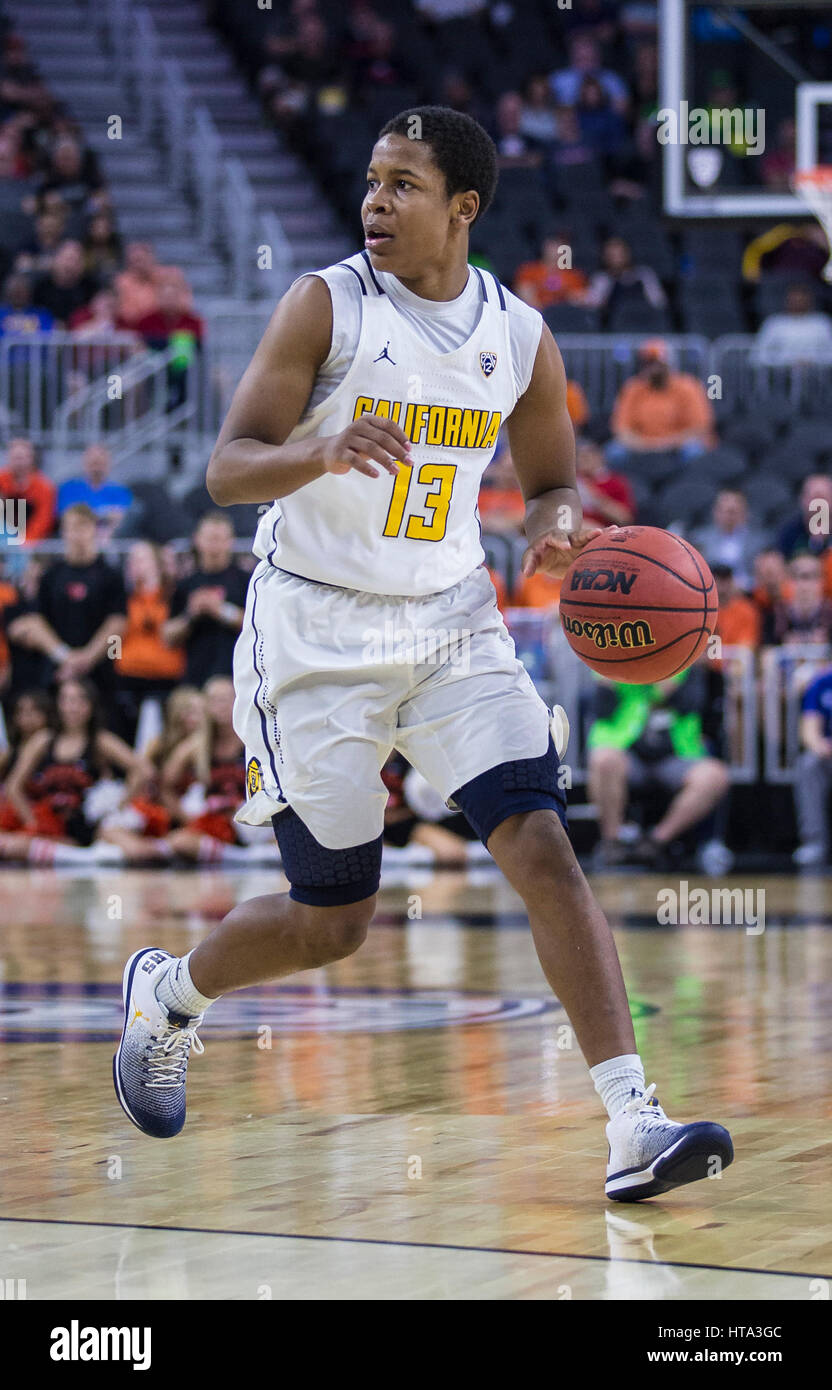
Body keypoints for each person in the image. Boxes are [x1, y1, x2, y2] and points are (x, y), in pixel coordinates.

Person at [112, 104, 733, 1202]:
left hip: (452, 620)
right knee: (331, 923)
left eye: (401, 184)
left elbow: (552, 482)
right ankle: (169, 995)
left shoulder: (520, 336)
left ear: (463, 208)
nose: (374, 203)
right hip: (313, 629)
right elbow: (226, 469)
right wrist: (318, 449)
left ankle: (634, 1120)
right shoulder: (327, 304)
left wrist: (553, 525)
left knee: (541, 843)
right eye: (369, 180)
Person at [587, 665, 730, 868]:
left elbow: (689, 705)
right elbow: (601, 710)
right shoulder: (610, 664)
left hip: (675, 755)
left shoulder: (689, 662)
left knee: (714, 777)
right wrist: (610, 681)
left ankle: (655, 842)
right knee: (602, 760)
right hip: (627, 753)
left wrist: (660, 678)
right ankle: (612, 843)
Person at [0, 677, 145, 864]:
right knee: (10, 845)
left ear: (91, 706)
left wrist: (117, 807)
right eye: (66, 700)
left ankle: (82, 855)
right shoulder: (44, 740)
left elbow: (142, 770)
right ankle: (83, 857)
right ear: (58, 705)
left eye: (79, 700)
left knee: (136, 851)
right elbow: (13, 786)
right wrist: (33, 821)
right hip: (54, 827)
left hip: (89, 827)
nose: (72, 707)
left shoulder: (100, 741)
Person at [7, 502, 127, 695]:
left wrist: (87, 658)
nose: (76, 533)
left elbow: (117, 623)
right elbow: (37, 620)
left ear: (93, 529)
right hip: (56, 671)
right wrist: (64, 656)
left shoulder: (110, 576)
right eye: (70, 527)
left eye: (82, 526)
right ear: (63, 532)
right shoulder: (51, 576)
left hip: (101, 672)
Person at [112, 540, 185, 744]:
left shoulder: (173, 596)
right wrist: (114, 657)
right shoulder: (122, 597)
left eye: (142, 559)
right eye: (132, 560)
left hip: (165, 676)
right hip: (128, 676)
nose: (136, 565)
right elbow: (113, 635)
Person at [163, 513, 247, 687]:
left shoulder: (246, 580)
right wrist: (191, 614)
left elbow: (260, 626)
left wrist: (223, 611)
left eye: (220, 539)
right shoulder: (185, 584)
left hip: (237, 676)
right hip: (195, 675)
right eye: (210, 538)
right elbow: (167, 635)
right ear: (197, 539)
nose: (214, 545)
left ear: (231, 541)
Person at [609, 339, 715, 458]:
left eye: (658, 363)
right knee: (615, 452)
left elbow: (699, 429)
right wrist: (647, 445)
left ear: (669, 364)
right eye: (649, 363)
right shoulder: (633, 387)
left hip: (679, 445)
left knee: (693, 451)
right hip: (641, 445)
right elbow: (622, 430)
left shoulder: (688, 386)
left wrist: (665, 444)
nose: (654, 369)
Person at [792, 664, 832, 867]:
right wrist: (820, 745)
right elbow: (809, 731)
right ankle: (814, 842)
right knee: (808, 764)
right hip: (828, 756)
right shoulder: (822, 682)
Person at [691, 490, 768, 593]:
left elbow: (761, 577)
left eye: (734, 512)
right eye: (725, 511)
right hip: (709, 592)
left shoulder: (759, 542)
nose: (730, 516)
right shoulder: (700, 539)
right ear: (715, 512)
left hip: (747, 594)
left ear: (745, 513)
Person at [582, 236, 667, 324]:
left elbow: (659, 302)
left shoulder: (644, 274)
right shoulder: (601, 278)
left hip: (646, 323)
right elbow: (592, 305)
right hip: (614, 329)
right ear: (605, 257)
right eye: (612, 255)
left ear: (628, 253)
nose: (617, 258)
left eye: (620, 253)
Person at [56, 443, 133, 536]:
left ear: (108, 464)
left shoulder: (121, 491)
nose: (96, 468)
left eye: (100, 463)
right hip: (76, 538)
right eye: (93, 463)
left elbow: (122, 519)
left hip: (109, 540)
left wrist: (88, 515)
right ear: (84, 463)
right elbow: (66, 516)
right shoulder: (68, 489)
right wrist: (105, 515)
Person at [763, 554, 832, 647]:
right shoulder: (775, 615)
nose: (805, 586)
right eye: (799, 577)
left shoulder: (829, 613)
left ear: (822, 581)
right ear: (788, 581)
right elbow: (766, 653)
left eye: (811, 577)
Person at [753, 284, 832, 366]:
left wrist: (814, 362)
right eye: (794, 300)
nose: (797, 303)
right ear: (787, 301)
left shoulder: (822, 323)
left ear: (810, 300)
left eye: (801, 300)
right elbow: (758, 355)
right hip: (780, 376)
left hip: (819, 376)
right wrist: (785, 363)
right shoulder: (774, 323)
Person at [513, 231, 589, 311]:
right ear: (545, 246)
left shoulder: (574, 275)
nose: (557, 249)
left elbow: (580, 298)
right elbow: (524, 294)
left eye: (562, 245)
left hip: (565, 317)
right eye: (554, 245)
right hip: (537, 316)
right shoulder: (529, 270)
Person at [0, 436, 56, 543]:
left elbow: (44, 519)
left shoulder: (44, 487)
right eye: (15, 458)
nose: (19, 463)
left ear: (31, 458)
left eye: (22, 458)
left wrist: (26, 542)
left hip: (34, 544)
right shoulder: (1, 481)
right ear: (8, 458)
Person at [31, 239, 98, 325]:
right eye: (67, 259)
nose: (70, 265)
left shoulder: (91, 288)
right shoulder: (40, 288)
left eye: (76, 261)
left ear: (82, 265)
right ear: (56, 260)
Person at [574, 438, 635, 529]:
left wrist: (596, 498)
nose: (584, 461)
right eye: (580, 457)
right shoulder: (572, 482)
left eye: (588, 456)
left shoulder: (615, 483)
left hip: (605, 531)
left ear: (599, 457)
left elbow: (624, 518)